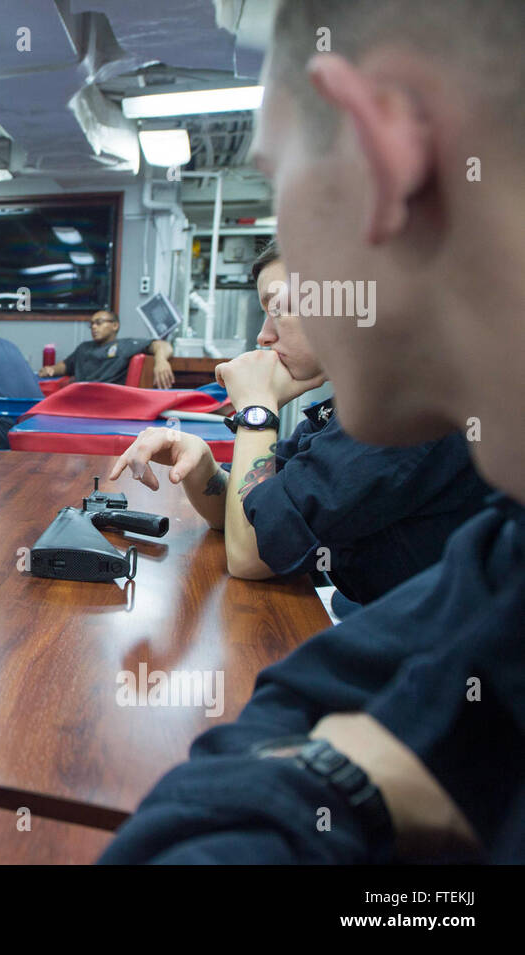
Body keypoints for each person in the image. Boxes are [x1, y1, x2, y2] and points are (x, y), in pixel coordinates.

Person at [101, 0, 525, 863]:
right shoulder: (508, 544)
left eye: (274, 179)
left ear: (377, 157)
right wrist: (353, 778)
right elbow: (307, 692)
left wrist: (342, 784)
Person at [107, 240, 491, 606]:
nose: (263, 335)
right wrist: (200, 462)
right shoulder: (355, 402)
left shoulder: (402, 407)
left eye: (278, 309)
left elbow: (252, 555)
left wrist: (257, 410)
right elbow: (256, 509)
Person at [39, 309, 175, 388]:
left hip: (107, 401)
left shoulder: (125, 345)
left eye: (99, 323)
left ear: (115, 326)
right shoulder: (84, 347)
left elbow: (161, 345)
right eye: (91, 324)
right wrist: (52, 369)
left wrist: (161, 361)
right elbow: (66, 365)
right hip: (78, 397)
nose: (93, 327)